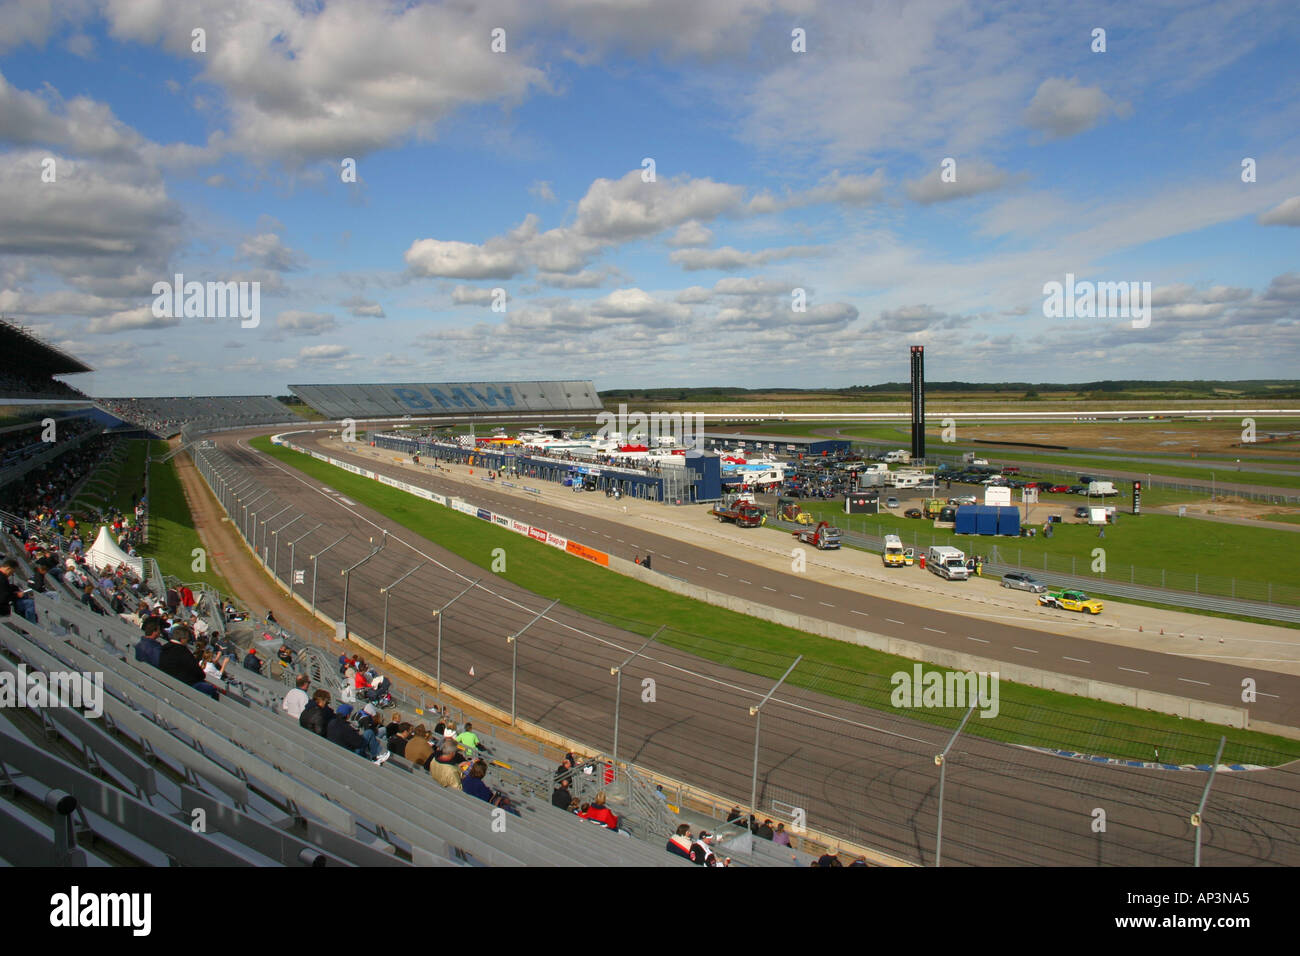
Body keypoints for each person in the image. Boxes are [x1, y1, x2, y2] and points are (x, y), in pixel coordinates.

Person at [156, 627, 221, 700]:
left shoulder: (163, 648)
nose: (187, 641)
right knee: (211, 689)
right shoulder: (184, 652)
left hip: (164, 681)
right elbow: (198, 673)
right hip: (184, 686)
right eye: (187, 639)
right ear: (182, 639)